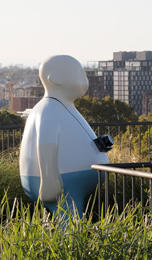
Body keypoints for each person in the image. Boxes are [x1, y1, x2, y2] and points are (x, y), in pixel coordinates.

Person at [19, 54, 111, 217]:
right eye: (79, 75)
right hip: (60, 181)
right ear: (55, 79)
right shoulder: (49, 109)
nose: (85, 81)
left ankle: (71, 240)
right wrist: (49, 180)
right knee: (68, 219)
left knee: (72, 218)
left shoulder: (63, 106)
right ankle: (69, 242)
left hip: (70, 180)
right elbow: (45, 144)